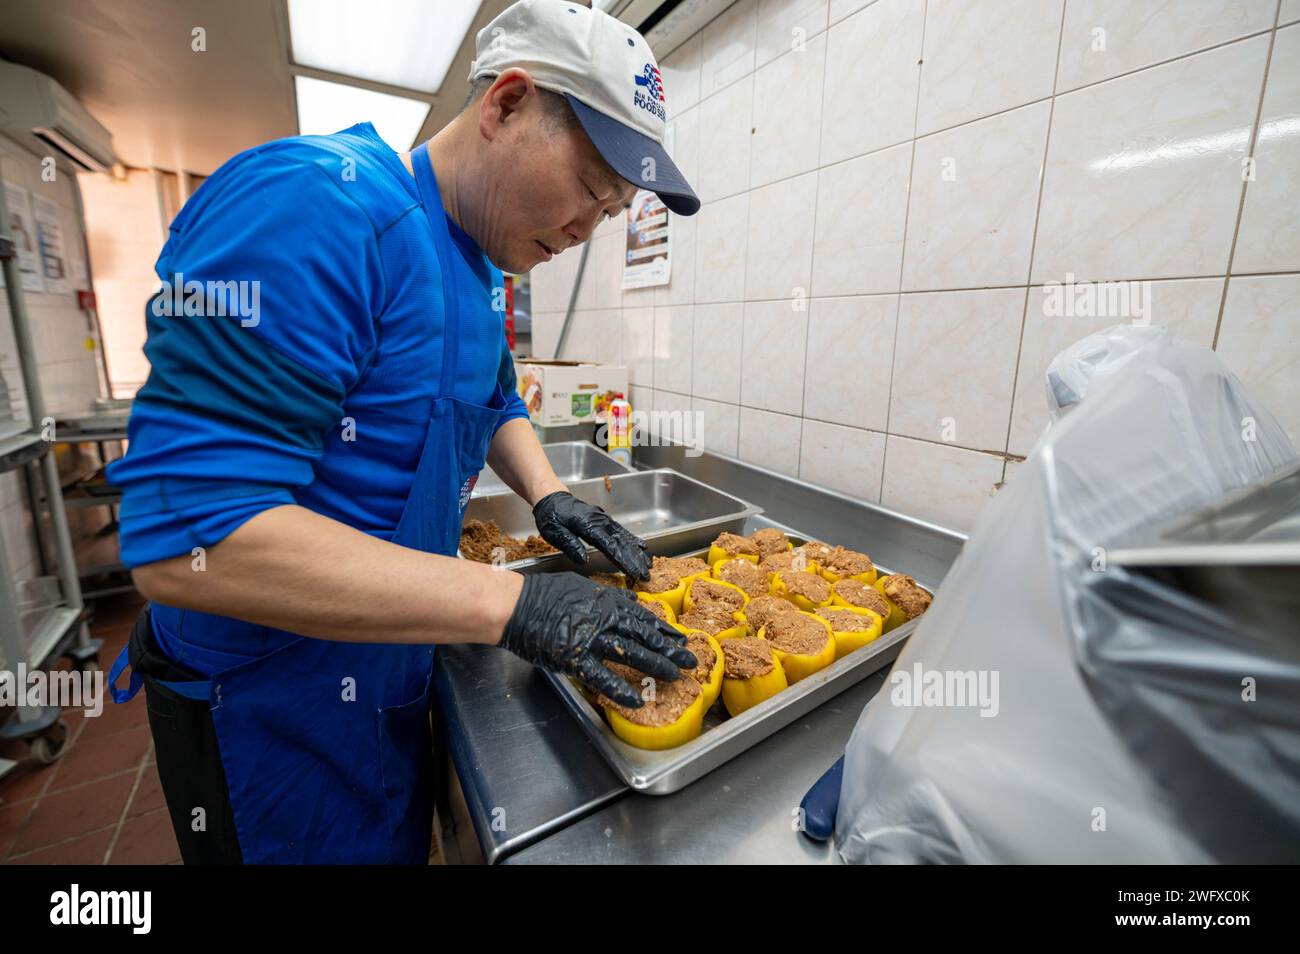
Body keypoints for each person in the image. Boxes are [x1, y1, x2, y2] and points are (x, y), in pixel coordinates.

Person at [106, 0, 700, 864]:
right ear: (504, 104)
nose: (584, 231)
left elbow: (490, 397)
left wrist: (550, 492)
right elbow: (188, 533)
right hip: (267, 713)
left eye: (611, 213)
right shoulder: (317, 204)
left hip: (380, 675)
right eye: (589, 189)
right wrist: (515, 601)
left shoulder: (474, 266)